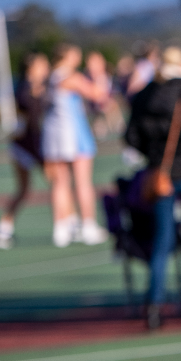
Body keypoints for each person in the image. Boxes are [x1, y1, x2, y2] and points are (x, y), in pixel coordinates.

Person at [125, 47, 181, 329]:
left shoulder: (144, 96)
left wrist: (154, 156)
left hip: (160, 174)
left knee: (162, 242)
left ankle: (154, 308)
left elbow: (132, 137)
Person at [43, 43, 111, 248]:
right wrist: (98, 72)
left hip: (54, 134)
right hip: (73, 134)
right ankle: (88, 226)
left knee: (60, 182)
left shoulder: (50, 77)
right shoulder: (70, 77)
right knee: (82, 182)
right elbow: (99, 94)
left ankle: (61, 228)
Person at [0, 53, 49, 250]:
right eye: (42, 64)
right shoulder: (24, 88)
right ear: (31, 67)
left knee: (55, 184)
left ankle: (69, 222)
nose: (45, 67)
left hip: (33, 143)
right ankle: (4, 228)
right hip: (28, 145)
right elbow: (28, 117)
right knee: (50, 185)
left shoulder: (43, 87)